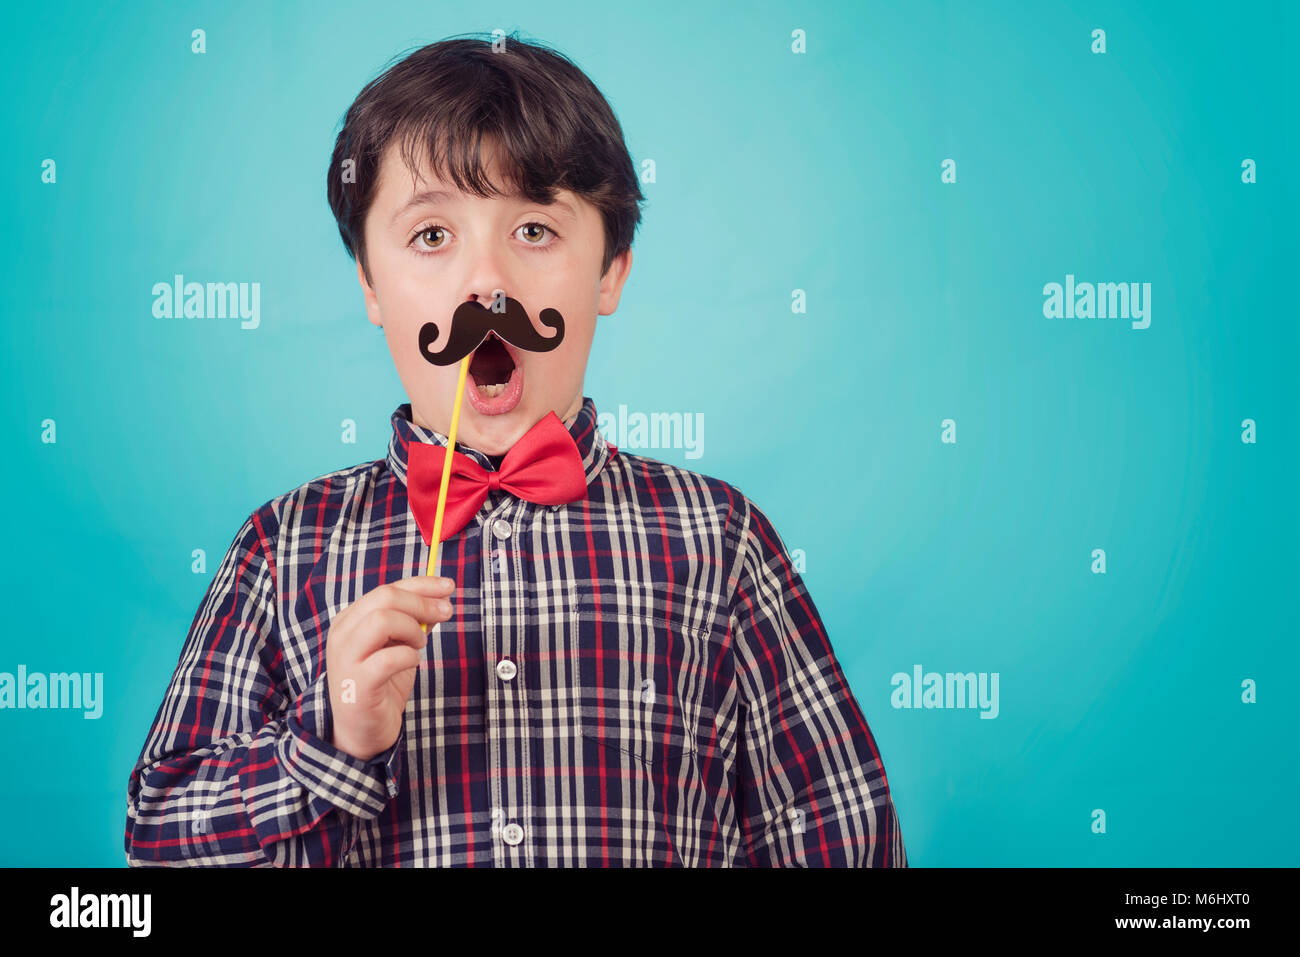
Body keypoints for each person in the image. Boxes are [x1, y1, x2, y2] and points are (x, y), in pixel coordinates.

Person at [124, 32, 907, 867]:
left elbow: (840, 832)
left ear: (611, 272)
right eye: (431, 237)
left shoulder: (721, 540)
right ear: (369, 286)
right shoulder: (284, 550)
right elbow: (158, 844)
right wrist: (327, 741)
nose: (486, 285)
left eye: (534, 229)